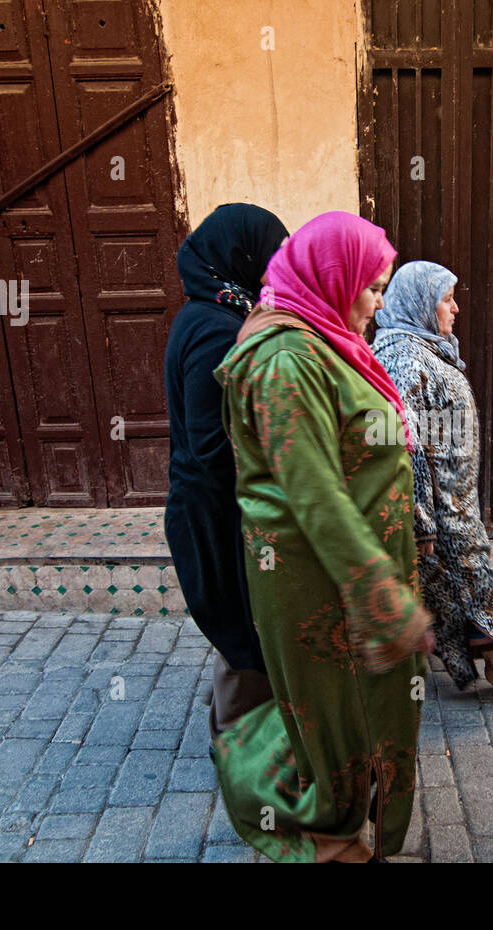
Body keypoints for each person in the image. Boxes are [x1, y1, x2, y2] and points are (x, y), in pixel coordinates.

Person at [212, 211, 434, 862]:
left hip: (344, 568)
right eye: (371, 286)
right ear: (332, 279)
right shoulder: (286, 359)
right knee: (332, 722)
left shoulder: (325, 340)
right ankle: (325, 834)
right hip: (315, 577)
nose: (379, 302)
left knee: (350, 712)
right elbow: (313, 491)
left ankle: (339, 823)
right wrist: (378, 589)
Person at [372, 261, 493, 697]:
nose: (455, 309)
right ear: (420, 303)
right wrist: (420, 522)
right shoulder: (402, 359)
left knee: (457, 588)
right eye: (446, 299)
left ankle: (481, 662)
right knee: (469, 581)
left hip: (453, 501)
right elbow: (402, 445)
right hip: (440, 510)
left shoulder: (424, 347)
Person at [163, 203, 288, 738]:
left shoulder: (213, 312)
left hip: (210, 508)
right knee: (244, 636)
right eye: (267, 258)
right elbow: (212, 445)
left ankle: (234, 733)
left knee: (239, 632)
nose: (270, 273)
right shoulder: (216, 328)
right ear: (239, 255)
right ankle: (241, 754)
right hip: (212, 515)